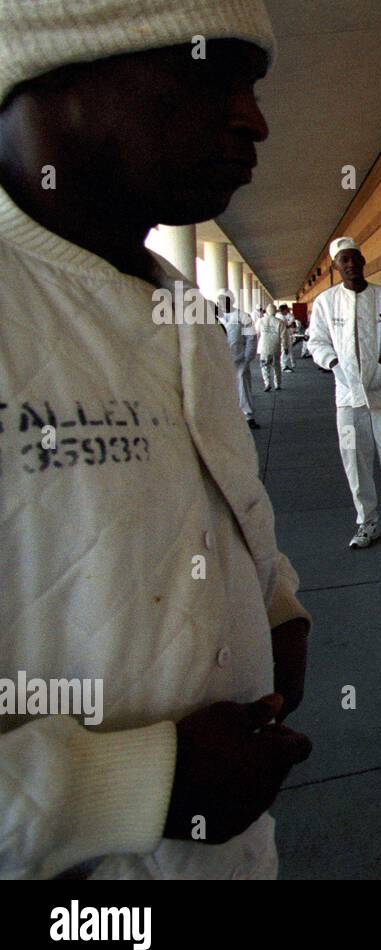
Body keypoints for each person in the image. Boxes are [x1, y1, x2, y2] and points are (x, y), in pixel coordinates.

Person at [0, 0, 312, 879]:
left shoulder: (179, 308)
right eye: (213, 74)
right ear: (60, 68)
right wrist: (139, 783)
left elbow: (224, 498)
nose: (254, 119)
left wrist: (275, 602)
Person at [307, 236, 381, 549]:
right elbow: (317, 341)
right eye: (345, 260)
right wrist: (333, 364)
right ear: (336, 265)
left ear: (363, 261)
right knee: (353, 458)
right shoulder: (326, 303)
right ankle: (366, 521)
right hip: (347, 400)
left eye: (356, 258)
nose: (352, 264)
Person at [219, 292, 259, 428]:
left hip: (240, 359)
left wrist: (248, 357)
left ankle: (248, 416)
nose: (222, 302)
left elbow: (251, 337)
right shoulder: (215, 317)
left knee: (243, 387)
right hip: (222, 359)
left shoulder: (243, 316)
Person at [257, 299, 286, 391]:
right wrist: (285, 347)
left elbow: (256, 334)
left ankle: (267, 383)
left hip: (264, 348)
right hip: (275, 347)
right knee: (276, 366)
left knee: (264, 366)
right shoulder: (280, 322)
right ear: (275, 311)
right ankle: (277, 384)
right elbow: (284, 337)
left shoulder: (260, 321)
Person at [277, 304, 296, 373]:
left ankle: (289, 363)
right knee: (285, 350)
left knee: (288, 350)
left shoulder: (288, 316)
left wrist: (289, 326)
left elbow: (292, 325)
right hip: (283, 335)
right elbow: (286, 326)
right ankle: (283, 366)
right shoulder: (280, 317)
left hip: (286, 335)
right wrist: (289, 326)